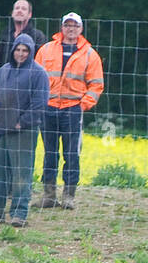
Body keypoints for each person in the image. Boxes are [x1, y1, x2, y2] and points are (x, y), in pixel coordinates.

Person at [35, 13, 104, 210]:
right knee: (50, 153)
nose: (71, 29)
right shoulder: (46, 49)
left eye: (75, 26)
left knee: (72, 154)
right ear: (62, 27)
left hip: (73, 109)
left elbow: (96, 84)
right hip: (48, 107)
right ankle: (48, 195)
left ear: (81, 29)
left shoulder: (90, 54)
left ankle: (69, 196)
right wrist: (40, 102)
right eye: (68, 25)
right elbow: (36, 77)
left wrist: (83, 105)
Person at [0, 34, 49, 227]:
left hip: (23, 131)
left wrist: (22, 122)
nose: (20, 53)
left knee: (21, 173)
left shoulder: (39, 73)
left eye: (25, 50)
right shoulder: (4, 70)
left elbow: (39, 104)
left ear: (31, 52)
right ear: (12, 50)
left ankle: (19, 214)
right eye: (17, 49)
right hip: (1, 129)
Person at [0, 0, 45, 70]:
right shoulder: (5, 35)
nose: (19, 11)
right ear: (12, 13)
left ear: (29, 14)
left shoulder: (38, 36)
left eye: (23, 9)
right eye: (17, 8)